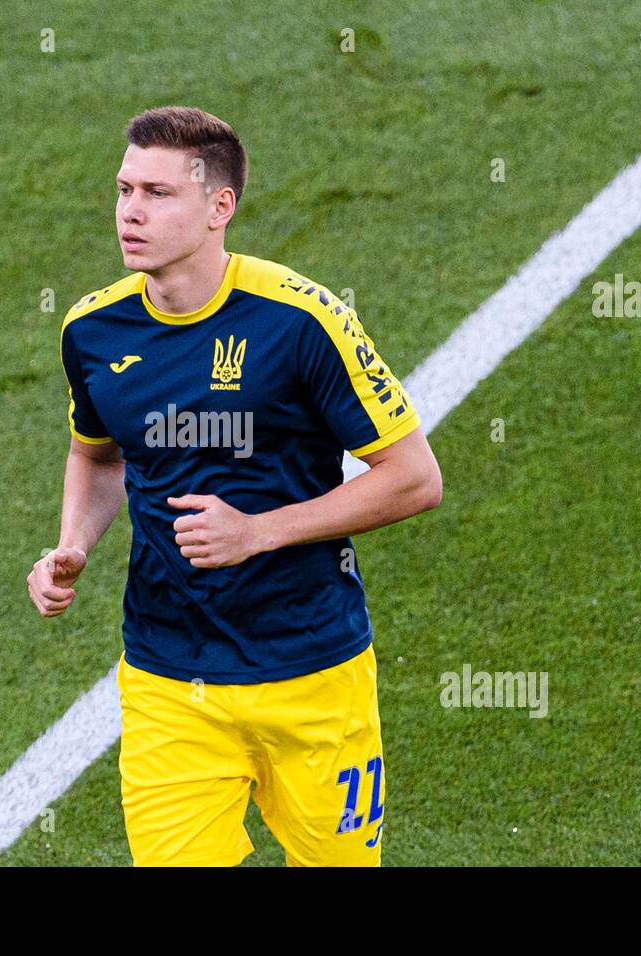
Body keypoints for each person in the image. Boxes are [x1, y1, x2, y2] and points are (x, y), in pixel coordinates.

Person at [26, 105, 442, 866]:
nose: (130, 212)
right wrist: (72, 544)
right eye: (123, 190)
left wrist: (257, 531)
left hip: (312, 672)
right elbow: (99, 455)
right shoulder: (93, 331)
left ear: (221, 207)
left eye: (156, 193)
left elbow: (413, 479)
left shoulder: (302, 320)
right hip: (167, 675)